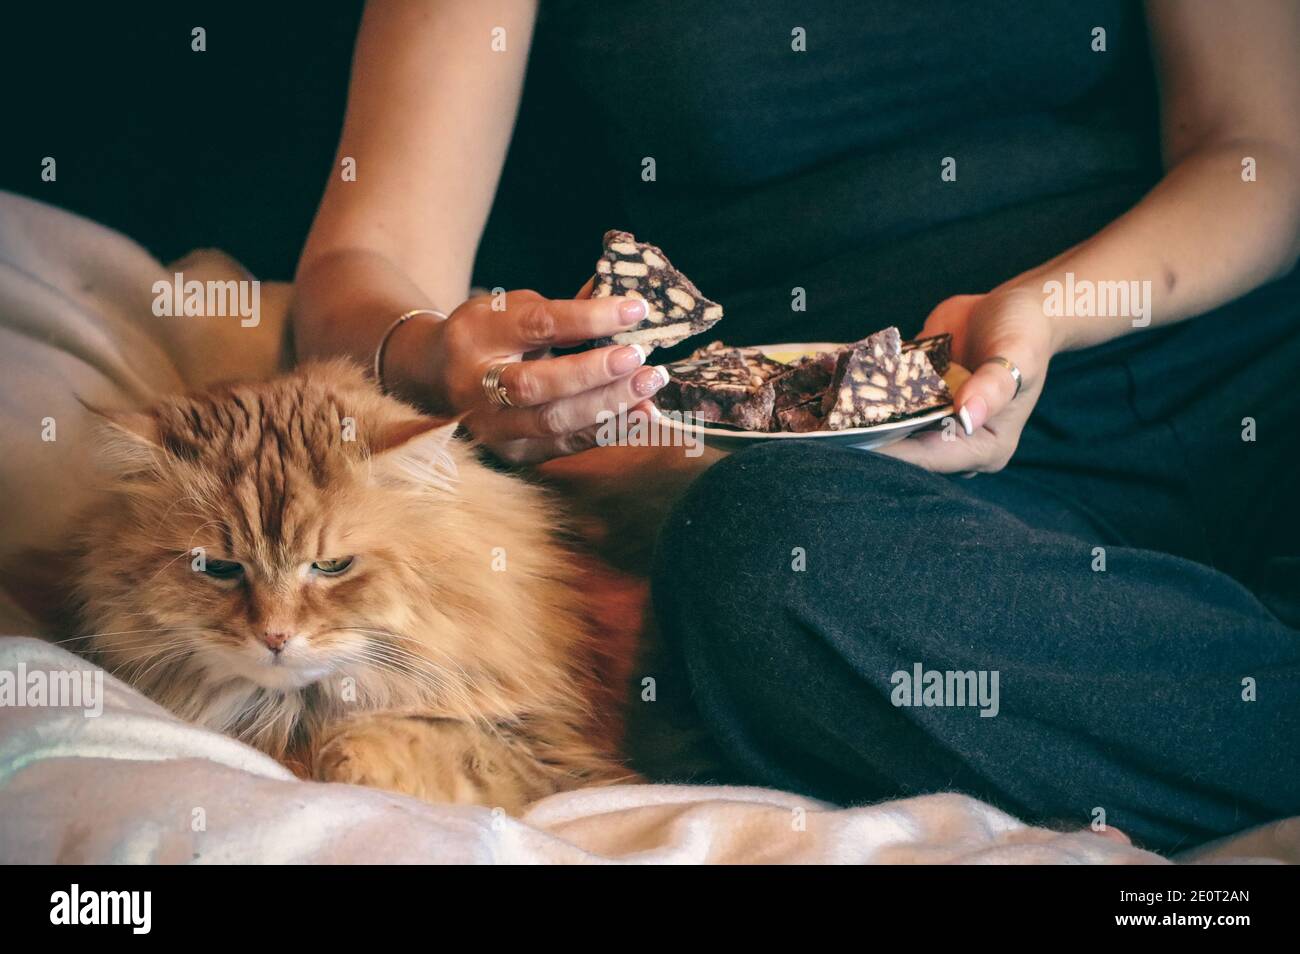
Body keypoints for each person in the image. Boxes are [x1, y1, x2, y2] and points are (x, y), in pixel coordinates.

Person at [293, 0, 1300, 851]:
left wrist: (1046, 315)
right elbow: (364, 258)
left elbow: (1260, 151)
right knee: (759, 570)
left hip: (1241, 367)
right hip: (885, 492)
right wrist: (437, 358)